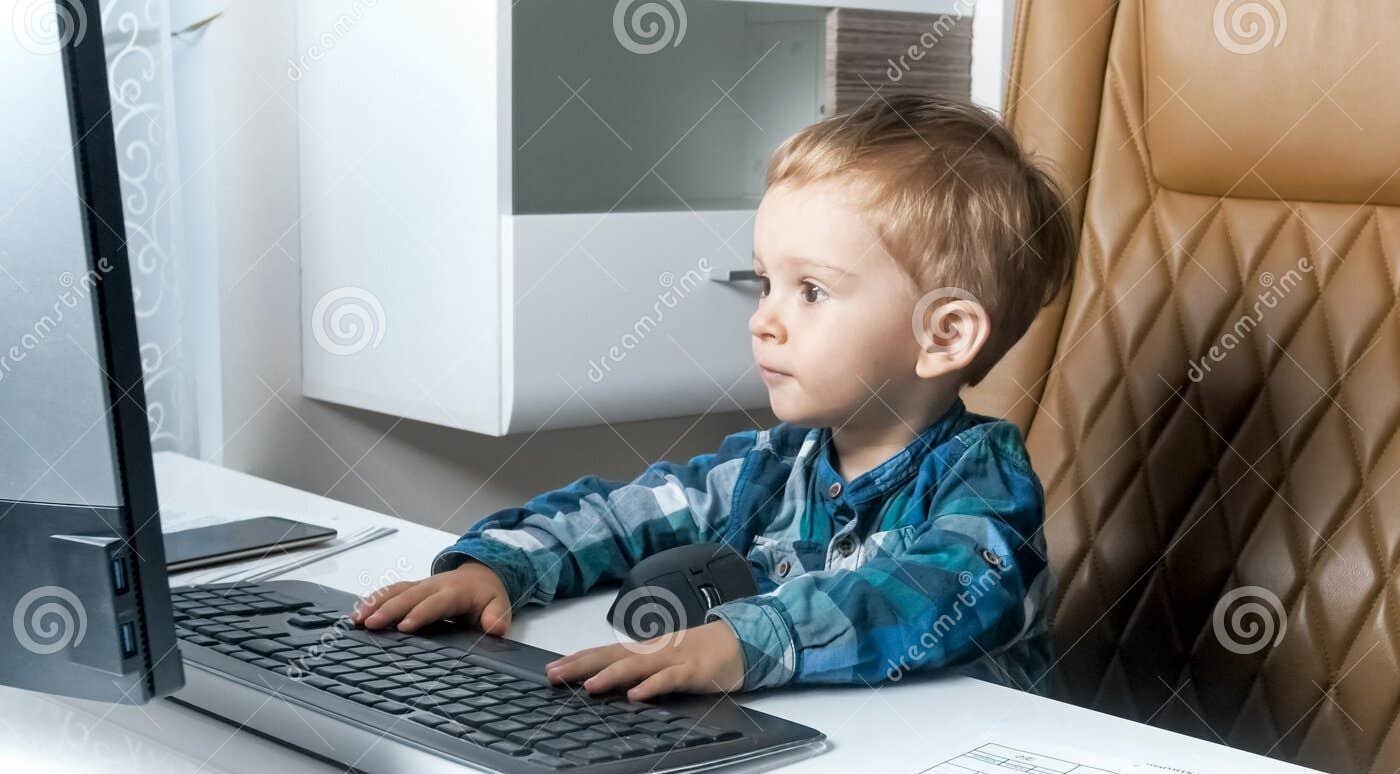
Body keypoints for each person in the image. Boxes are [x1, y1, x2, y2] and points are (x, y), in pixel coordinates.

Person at [353, 93, 1075, 702]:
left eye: (812, 290)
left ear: (942, 336)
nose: (763, 318)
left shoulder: (982, 479)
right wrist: (501, 565)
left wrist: (742, 642)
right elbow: (624, 514)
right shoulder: (771, 468)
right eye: (765, 283)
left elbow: (925, 592)